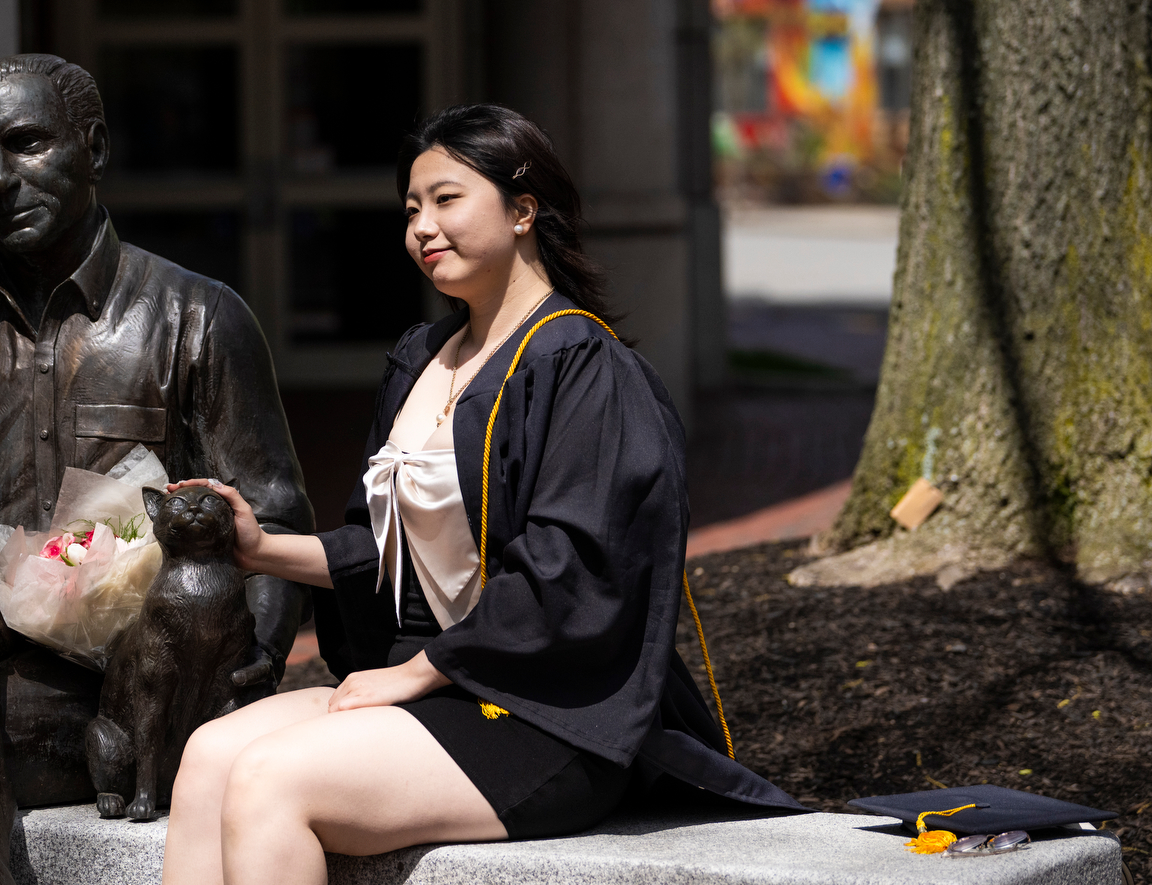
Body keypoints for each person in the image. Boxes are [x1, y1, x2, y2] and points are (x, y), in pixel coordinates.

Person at [161, 104, 799, 885]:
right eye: (411, 209)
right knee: (209, 758)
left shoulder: (585, 369)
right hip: (432, 686)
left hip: (540, 712)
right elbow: (387, 549)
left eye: (446, 199)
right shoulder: (422, 357)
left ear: (523, 211)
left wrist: (416, 672)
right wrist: (261, 549)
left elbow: (568, 577)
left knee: (270, 780)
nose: (422, 227)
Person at [0, 55, 314, 885]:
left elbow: (271, 515)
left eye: (26, 144)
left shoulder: (198, 317)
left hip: (147, 696)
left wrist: (252, 665)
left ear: (94, 148)